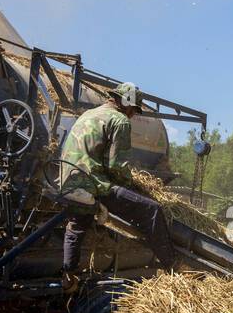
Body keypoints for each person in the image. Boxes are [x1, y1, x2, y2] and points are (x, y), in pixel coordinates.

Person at [59, 82, 174, 277]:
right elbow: (116, 167)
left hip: (68, 182)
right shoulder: (120, 121)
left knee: (77, 226)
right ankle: (173, 267)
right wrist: (134, 189)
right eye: (134, 110)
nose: (133, 114)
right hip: (92, 184)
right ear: (126, 104)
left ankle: (68, 275)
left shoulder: (88, 114)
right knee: (152, 209)